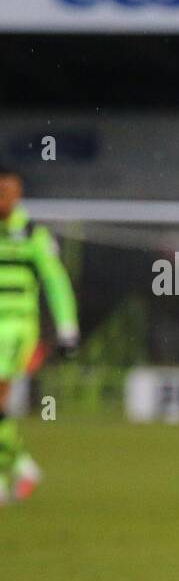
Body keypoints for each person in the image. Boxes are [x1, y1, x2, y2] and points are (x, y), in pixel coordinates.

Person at [0, 167, 79, 504]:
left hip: (16, 326)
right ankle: (21, 464)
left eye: (9, 191)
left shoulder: (33, 233)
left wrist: (67, 328)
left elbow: (55, 281)